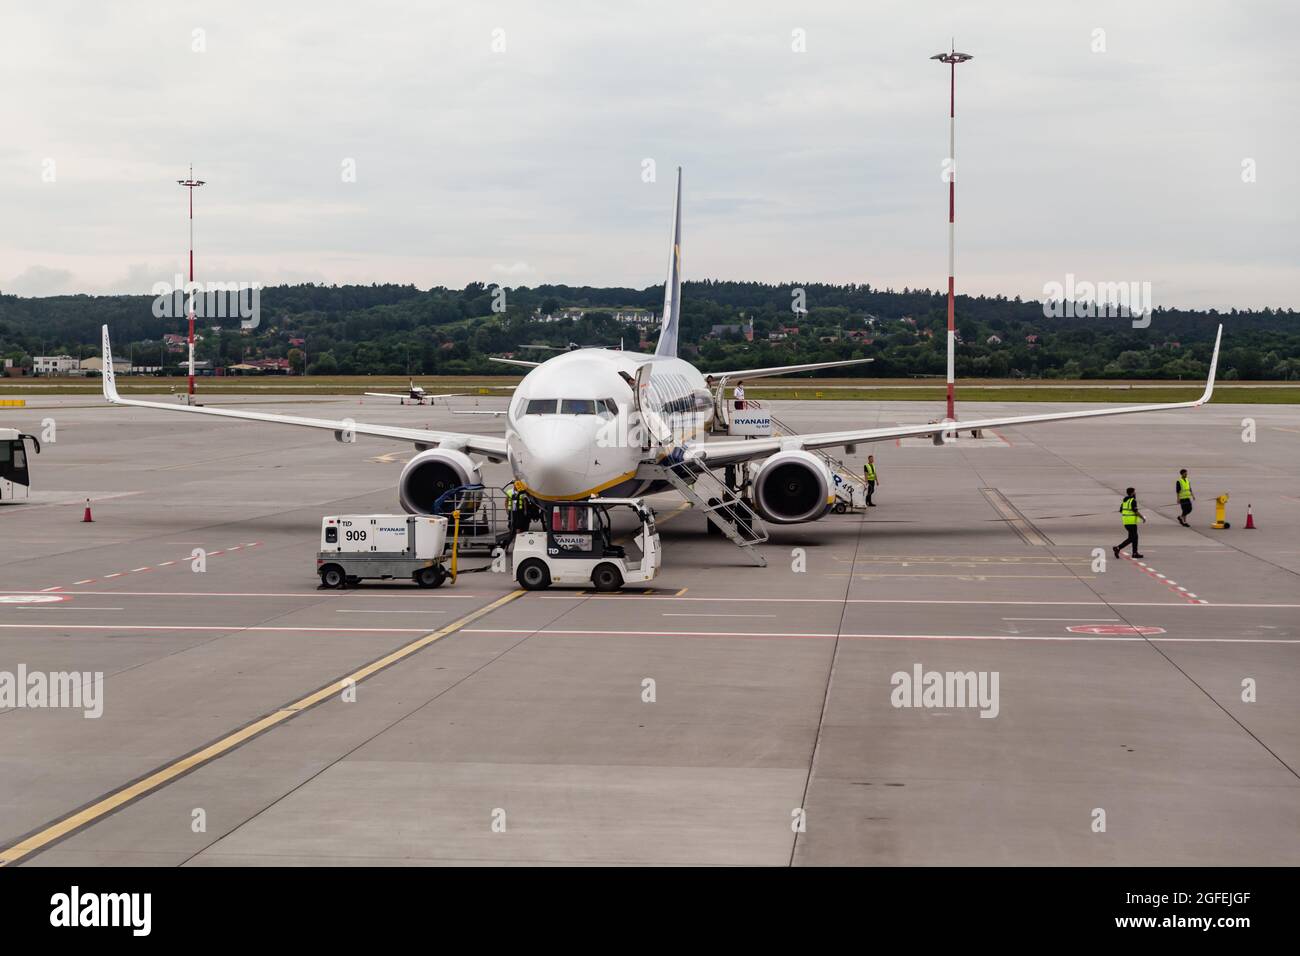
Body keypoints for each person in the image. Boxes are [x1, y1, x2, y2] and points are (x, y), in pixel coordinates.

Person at [1112, 487, 1145, 559]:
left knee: (1134, 537)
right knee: (1132, 538)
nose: (1135, 493)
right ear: (1132, 493)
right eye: (1134, 492)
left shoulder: (1124, 501)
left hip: (1126, 522)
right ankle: (1118, 548)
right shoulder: (1133, 501)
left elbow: (1121, 510)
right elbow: (1135, 511)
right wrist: (1142, 518)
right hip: (1131, 522)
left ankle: (1135, 553)